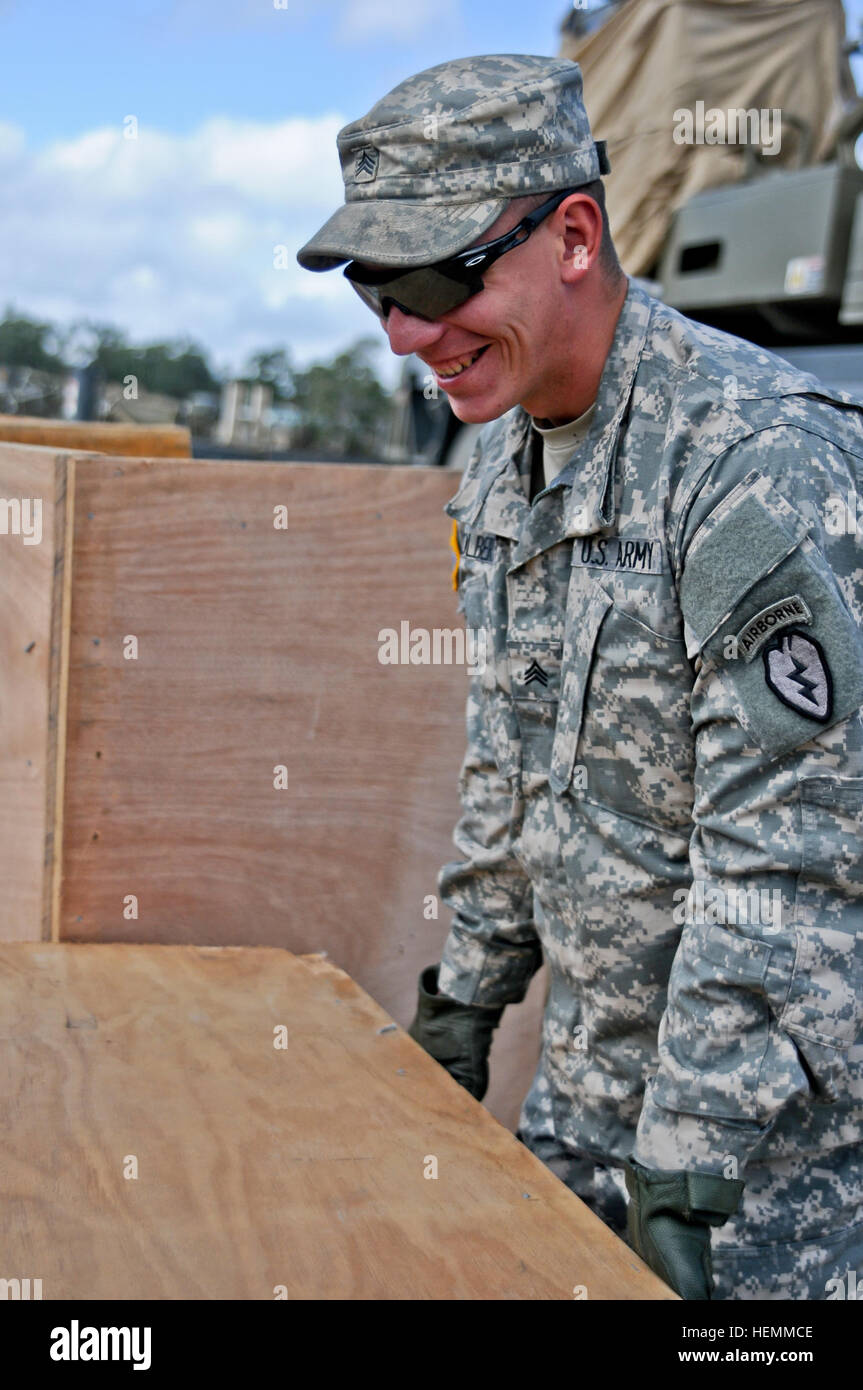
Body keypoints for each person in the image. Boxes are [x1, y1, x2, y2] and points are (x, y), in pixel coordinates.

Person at [297, 53, 863, 1301]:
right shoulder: (501, 471)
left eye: (439, 279)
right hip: (586, 1117)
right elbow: (512, 766)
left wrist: (688, 1182)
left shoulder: (756, 467)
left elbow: (791, 868)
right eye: (375, 291)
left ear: (570, 233)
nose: (405, 334)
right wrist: (464, 997)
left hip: (764, 1191)